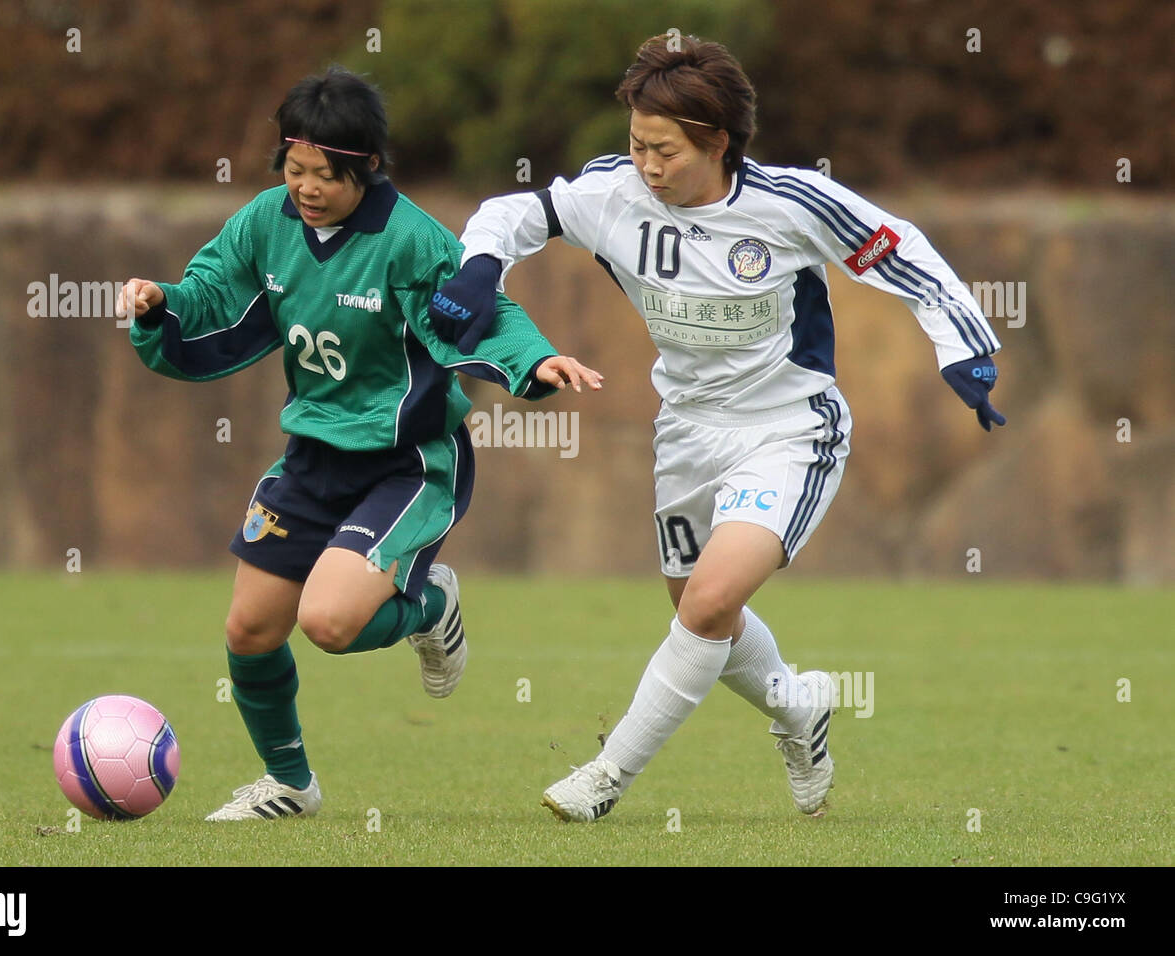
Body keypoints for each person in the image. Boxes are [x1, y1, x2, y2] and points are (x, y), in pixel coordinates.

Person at [430, 34, 1005, 822]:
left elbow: (901, 251)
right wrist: (480, 264)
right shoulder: (613, 194)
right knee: (702, 612)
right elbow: (516, 211)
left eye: (664, 150)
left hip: (789, 431)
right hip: (688, 432)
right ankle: (800, 710)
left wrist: (967, 349)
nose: (646, 165)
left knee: (706, 605)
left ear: (718, 143)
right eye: (636, 144)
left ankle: (606, 776)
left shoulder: (794, 204)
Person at [118, 66, 602, 822]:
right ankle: (290, 785)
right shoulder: (265, 221)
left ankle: (430, 603)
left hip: (405, 463)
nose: (305, 188)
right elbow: (211, 291)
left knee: (330, 624)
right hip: (311, 459)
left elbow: (475, 312)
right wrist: (161, 304)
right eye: (295, 169)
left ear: (367, 167)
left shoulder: (409, 239)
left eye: (325, 176)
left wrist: (530, 361)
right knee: (249, 630)